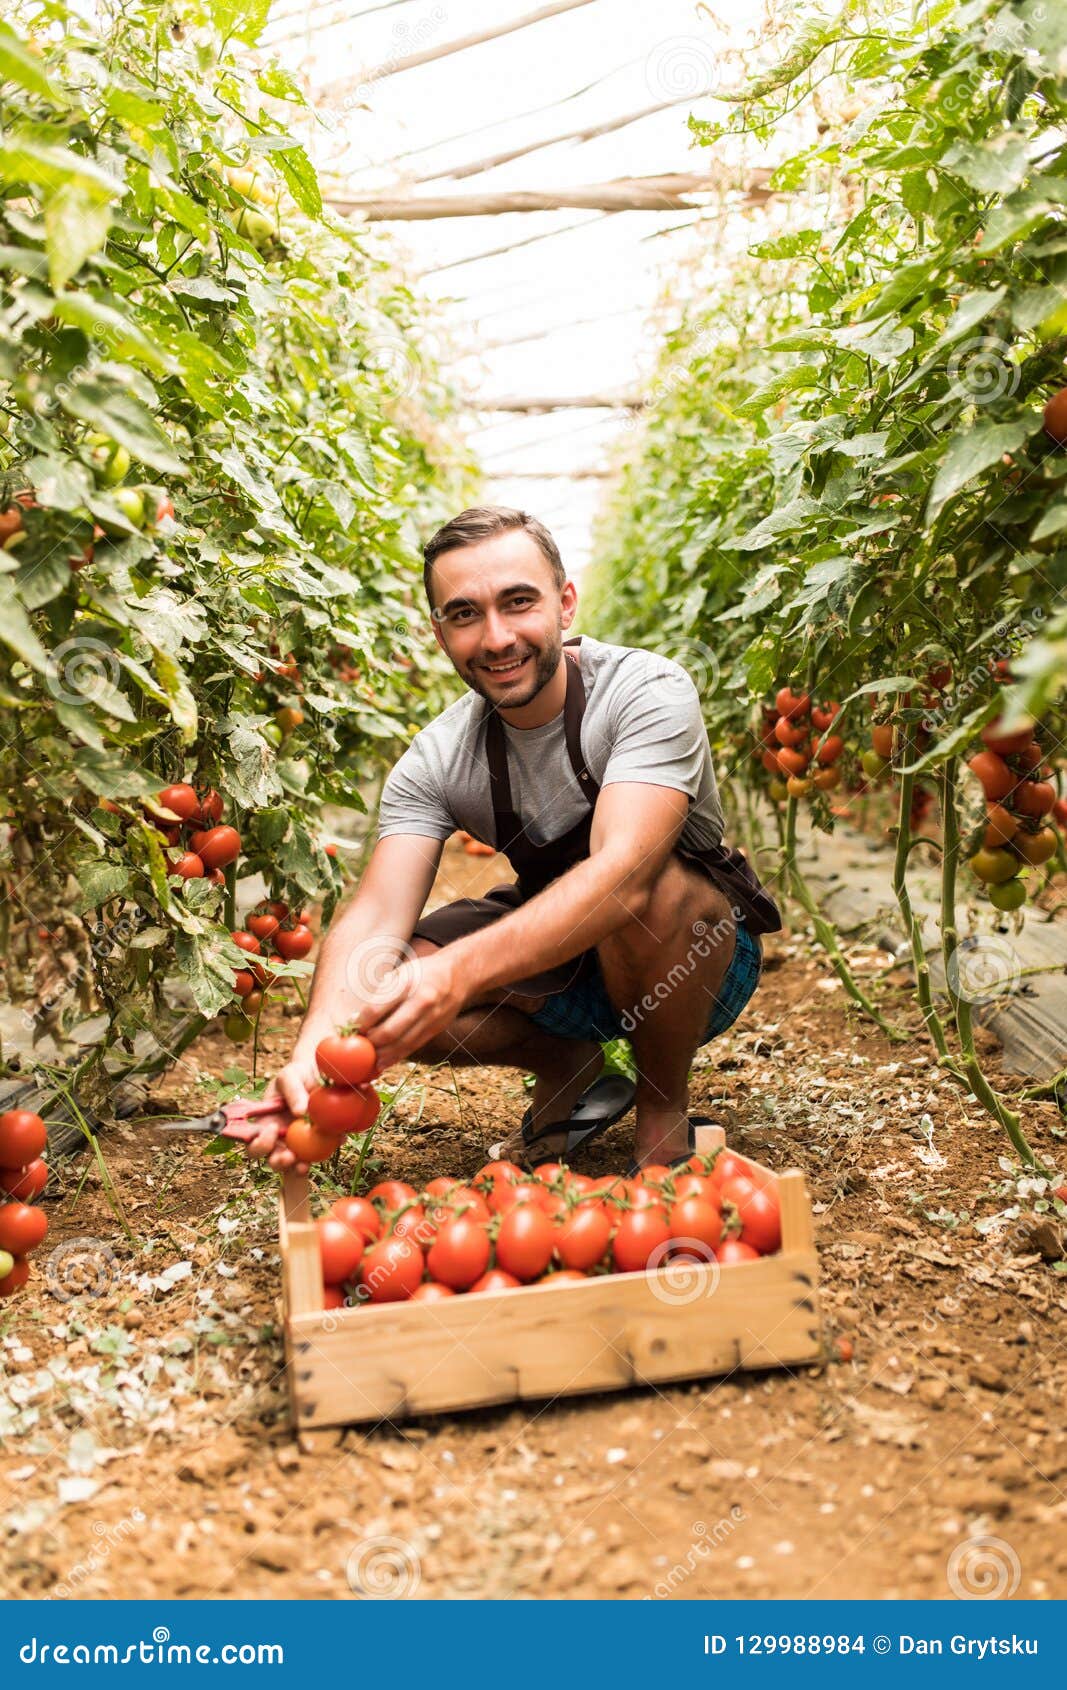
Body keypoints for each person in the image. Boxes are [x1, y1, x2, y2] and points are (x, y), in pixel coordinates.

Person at [248, 506, 780, 1175]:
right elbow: (376, 914)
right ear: (438, 632)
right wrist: (315, 1047)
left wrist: (457, 971)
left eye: (518, 603)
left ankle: (661, 1112)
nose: (496, 637)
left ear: (563, 604)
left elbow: (624, 875)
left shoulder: (644, 691)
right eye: (464, 614)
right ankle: (566, 1063)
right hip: (562, 963)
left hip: (695, 961)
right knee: (387, 980)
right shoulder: (438, 757)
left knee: (645, 893)